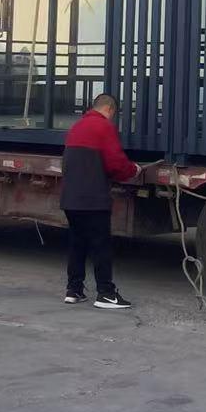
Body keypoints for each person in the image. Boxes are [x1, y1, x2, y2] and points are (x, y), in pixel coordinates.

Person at [60, 93, 139, 309]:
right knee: (100, 246)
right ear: (110, 110)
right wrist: (134, 170)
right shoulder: (104, 127)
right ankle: (106, 294)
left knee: (77, 243)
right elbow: (115, 163)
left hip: (70, 198)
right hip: (93, 199)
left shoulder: (77, 127)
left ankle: (74, 290)